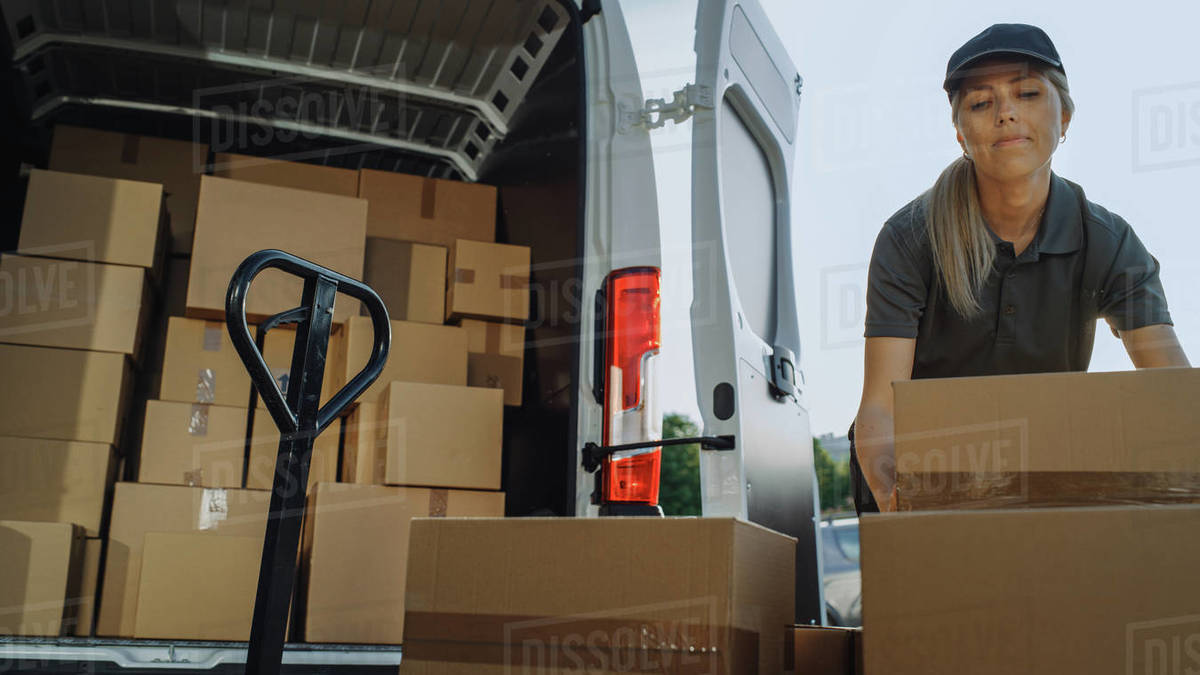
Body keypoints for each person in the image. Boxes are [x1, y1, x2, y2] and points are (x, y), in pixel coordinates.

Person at [849, 23, 1191, 514]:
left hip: (1047, 468)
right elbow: (880, 406)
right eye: (981, 103)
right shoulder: (910, 237)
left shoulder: (1109, 242)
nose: (1005, 113)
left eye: (1027, 93)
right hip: (924, 471)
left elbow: (1172, 389)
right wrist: (894, 500)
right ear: (960, 134)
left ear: (1065, 117)